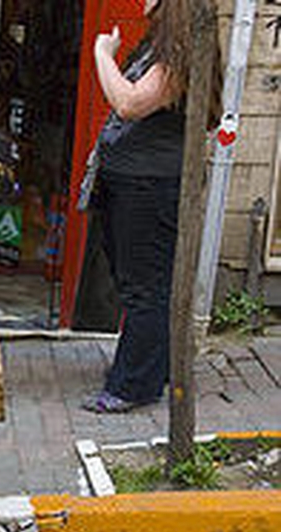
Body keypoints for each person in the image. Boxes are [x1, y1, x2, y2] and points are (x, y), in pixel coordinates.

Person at [81, 0, 220, 413]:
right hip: (134, 181)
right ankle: (142, 370)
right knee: (137, 282)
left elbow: (129, 103)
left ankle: (134, 386)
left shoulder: (179, 52)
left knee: (147, 286)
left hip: (150, 185)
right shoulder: (161, 45)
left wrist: (102, 55)